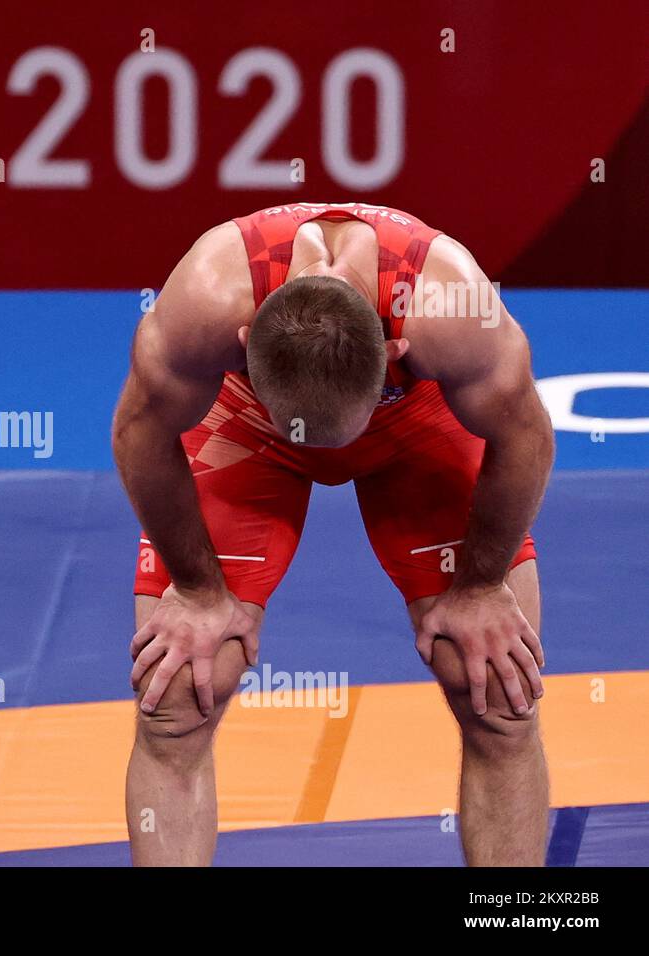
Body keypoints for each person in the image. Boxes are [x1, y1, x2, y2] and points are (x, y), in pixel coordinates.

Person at [112, 202, 554, 866]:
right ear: (243, 342)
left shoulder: (450, 308)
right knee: (177, 697)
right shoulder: (204, 300)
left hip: (413, 416)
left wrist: (482, 586)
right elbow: (139, 436)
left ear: (395, 350)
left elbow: (526, 437)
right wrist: (200, 591)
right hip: (244, 417)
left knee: (495, 688)